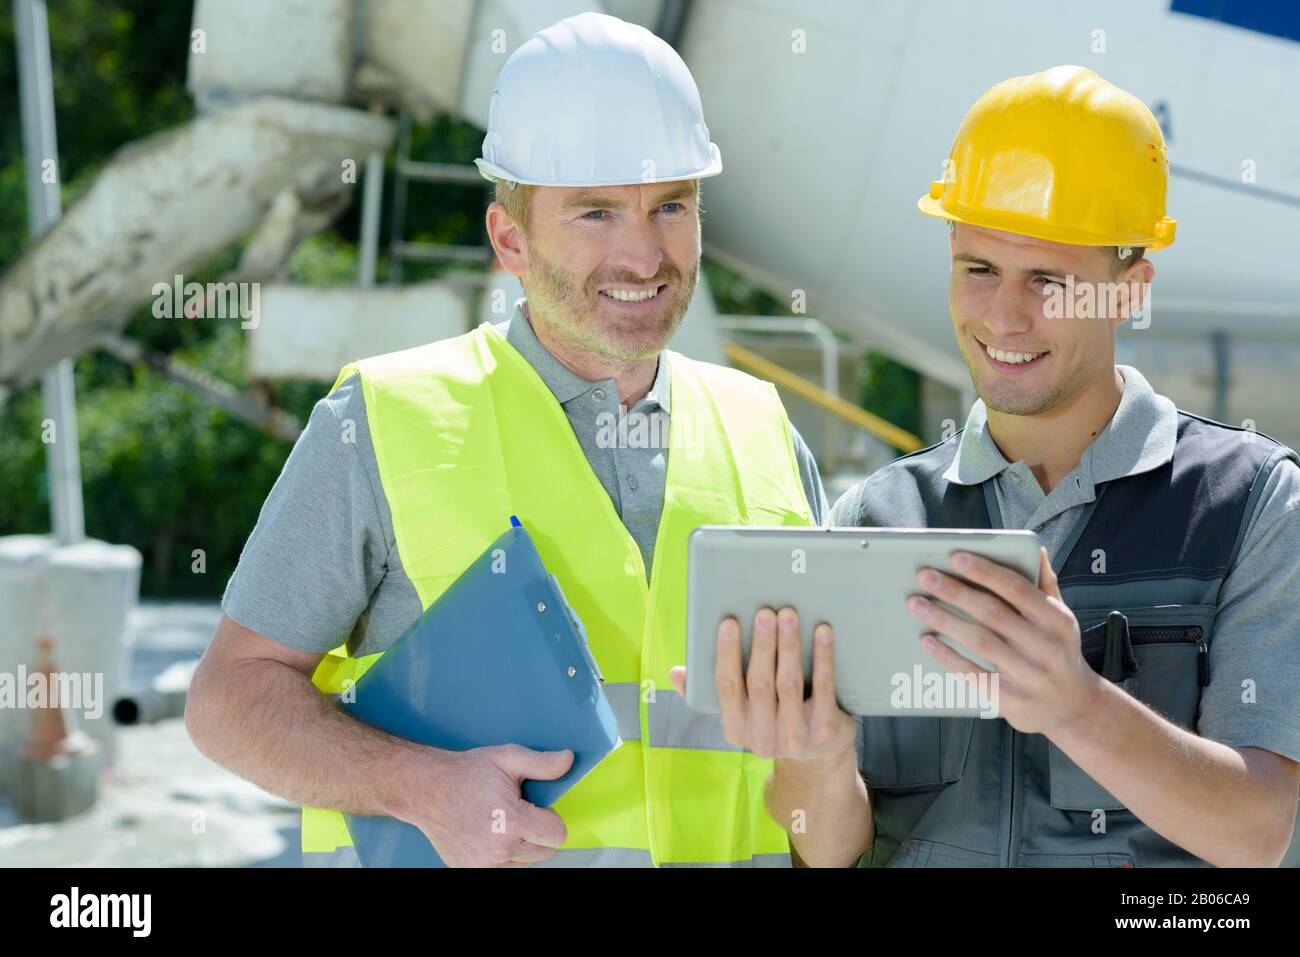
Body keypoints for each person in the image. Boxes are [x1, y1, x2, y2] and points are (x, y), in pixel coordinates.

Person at [184, 12, 827, 868]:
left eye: (671, 205)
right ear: (510, 239)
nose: (644, 255)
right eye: (595, 213)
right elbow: (228, 698)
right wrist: (418, 785)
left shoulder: (765, 432)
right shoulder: (381, 419)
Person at [674, 65, 1300, 867]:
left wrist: (1077, 705)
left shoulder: (1249, 506)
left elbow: (1258, 833)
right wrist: (811, 761)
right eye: (979, 269)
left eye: (1049, 280)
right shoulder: (879, 516)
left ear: (1129, 289)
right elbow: (824, 852)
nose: (1004, 316)